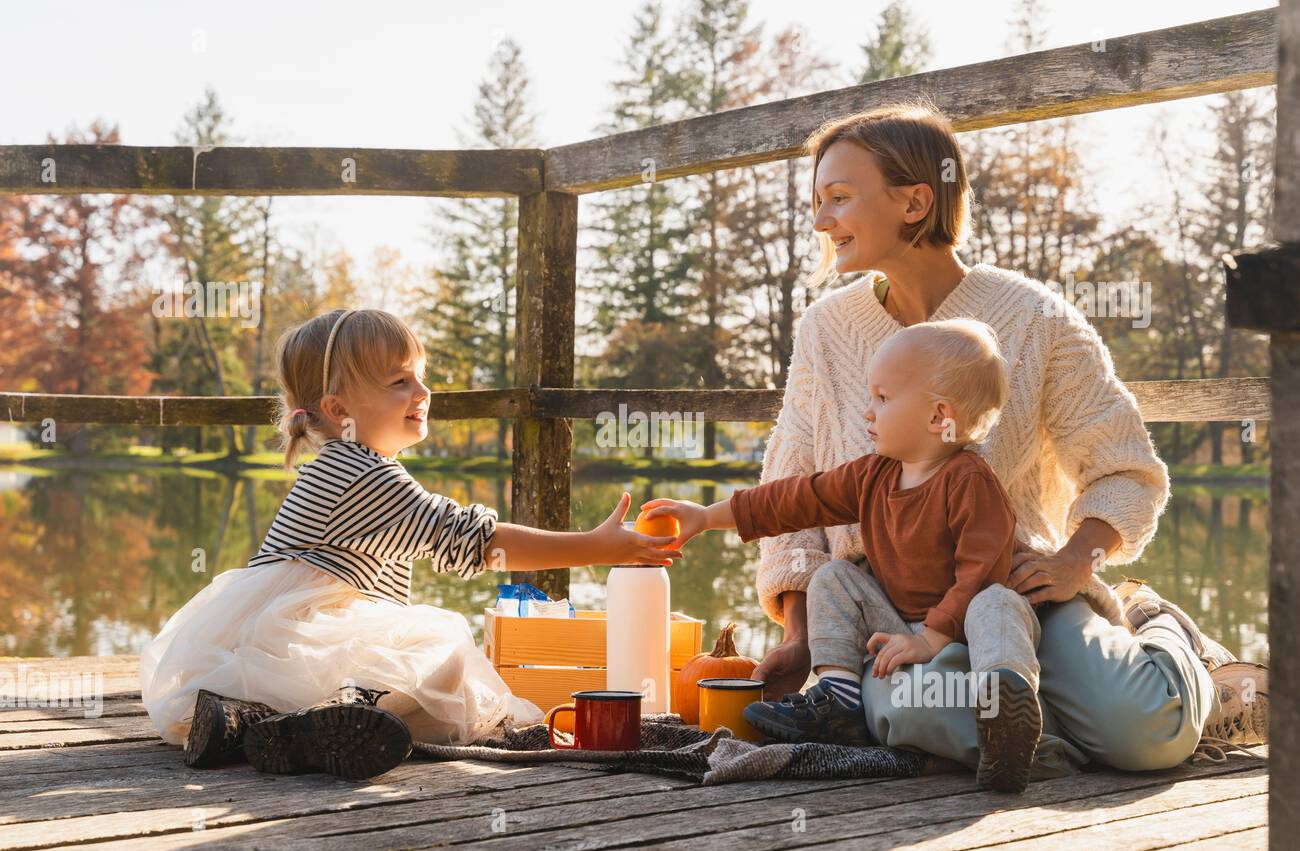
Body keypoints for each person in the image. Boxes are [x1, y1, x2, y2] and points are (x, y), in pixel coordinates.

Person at [741, 102, 1266, 779]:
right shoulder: (826, 329)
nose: (820, 221)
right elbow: (791, 501)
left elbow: (1124, 469)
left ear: (915, 201)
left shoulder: (1037, 318)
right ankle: (1044, 715)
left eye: (838, 198)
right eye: (816, 202)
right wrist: (799, 636)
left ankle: (1165, 636)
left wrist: (1079, 558)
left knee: (1147, 736)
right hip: (897, 613)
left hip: (1020, 594)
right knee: (916, 716)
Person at [139, 308, 681, 779]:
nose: (422, 393)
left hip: (251, 647)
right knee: (442, 656)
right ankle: (308, 720)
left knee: (419, 664)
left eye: (420, 377)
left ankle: (249, 722)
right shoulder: (362, 475)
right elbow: (474, 540)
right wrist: (600, 545)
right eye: (399, 381)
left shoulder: (346, 465)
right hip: (291, 640)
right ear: (338, 409)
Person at [642, 318, 1100, 793]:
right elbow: (795, 499)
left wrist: (934, 637)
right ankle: (840, 701)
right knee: (834, 576)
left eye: (883, 398)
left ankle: (1004, 712)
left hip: (969, 628)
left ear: (939, 417)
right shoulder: (873, 475)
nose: (868, 412)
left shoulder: (969, 481)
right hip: (902, 624)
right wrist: (707, 516)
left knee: (999, 602)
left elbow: (981, 571)